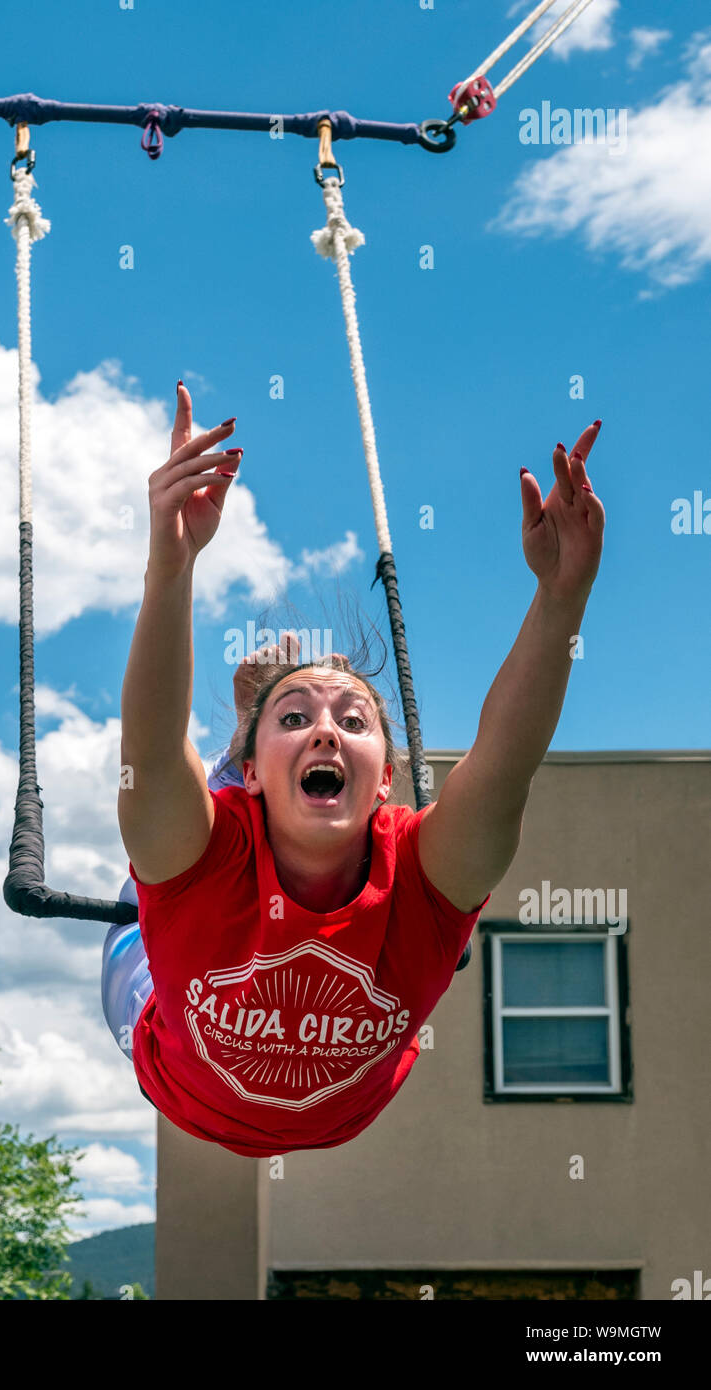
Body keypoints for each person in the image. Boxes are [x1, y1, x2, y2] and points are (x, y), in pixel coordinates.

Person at [106, 381, 605, 1157]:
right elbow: (147, 743)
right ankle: (239, 742)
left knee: (177, 818)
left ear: (384, 784)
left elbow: (507, 761)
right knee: (158, 821)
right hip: (170, 1062)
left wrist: (561, 596)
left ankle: (256, 723)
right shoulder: (203, 858)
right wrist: (171, 562)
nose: (328, 734)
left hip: (342, 1118)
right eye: (298, 718)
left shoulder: (422, 872)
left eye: (353, 720)